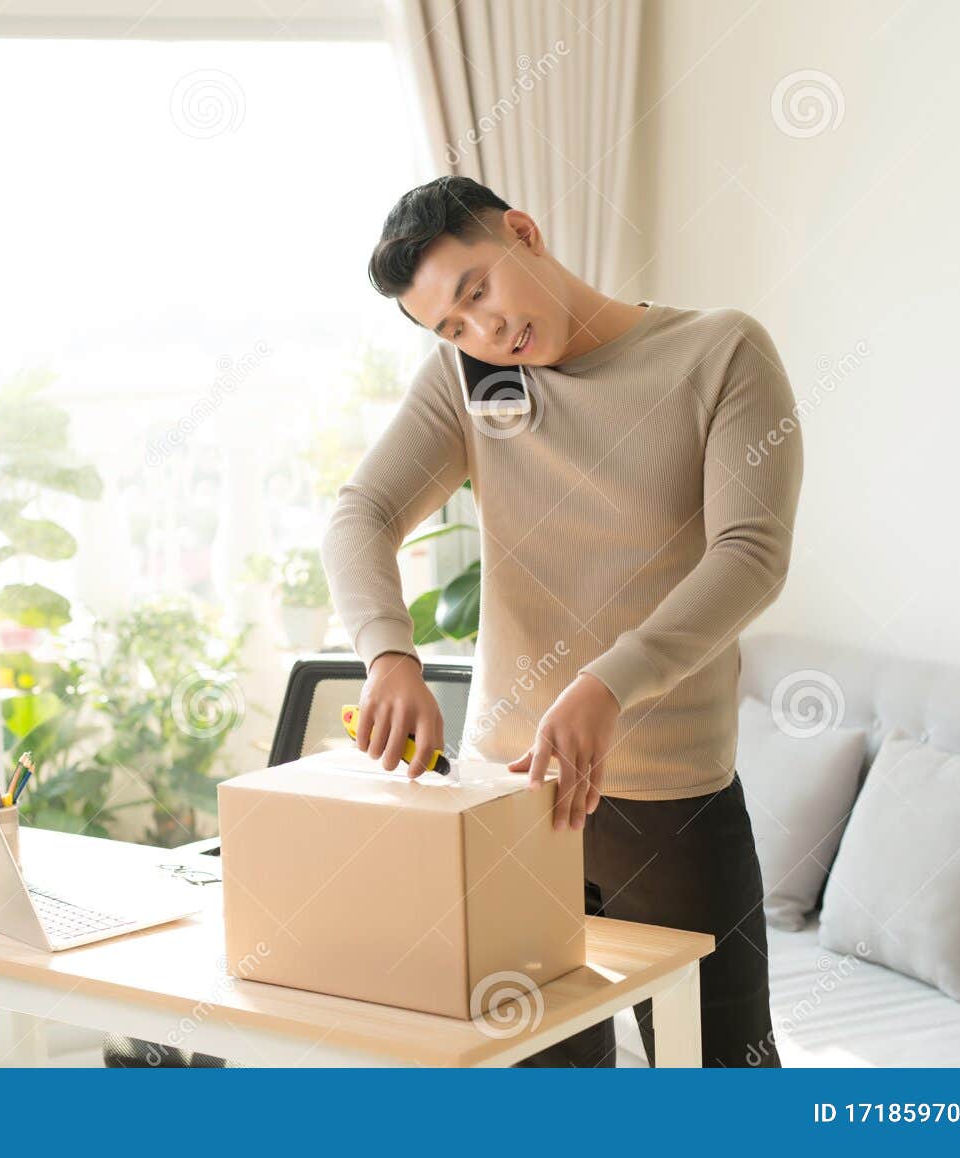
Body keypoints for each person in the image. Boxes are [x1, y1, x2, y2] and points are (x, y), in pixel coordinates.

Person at [320, 175, 804, 1067]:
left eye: (478, 290)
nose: (484, 330)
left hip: (673, 803)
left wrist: (608, 685)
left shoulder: (720, 352)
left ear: (523, 232)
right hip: (509, 803)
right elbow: (362, 515)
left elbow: (750, 553)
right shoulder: (470, 380)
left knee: (728, 1083)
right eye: (453, 327)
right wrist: (388, 655)